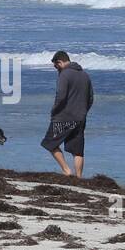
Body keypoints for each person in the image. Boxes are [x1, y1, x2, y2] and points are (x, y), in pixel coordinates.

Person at [40, 50, 93, 178]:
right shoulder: (85, 75)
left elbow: (61, 96)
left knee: (49, 143)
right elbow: (90, 98)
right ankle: (79, 177)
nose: (56, 69)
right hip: (80, 118)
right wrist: (83, 112)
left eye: (56, 66)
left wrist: (54, 110)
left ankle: (66, 170)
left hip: (63, 117)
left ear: (60, 62)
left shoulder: (64, 74)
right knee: (78, 150)